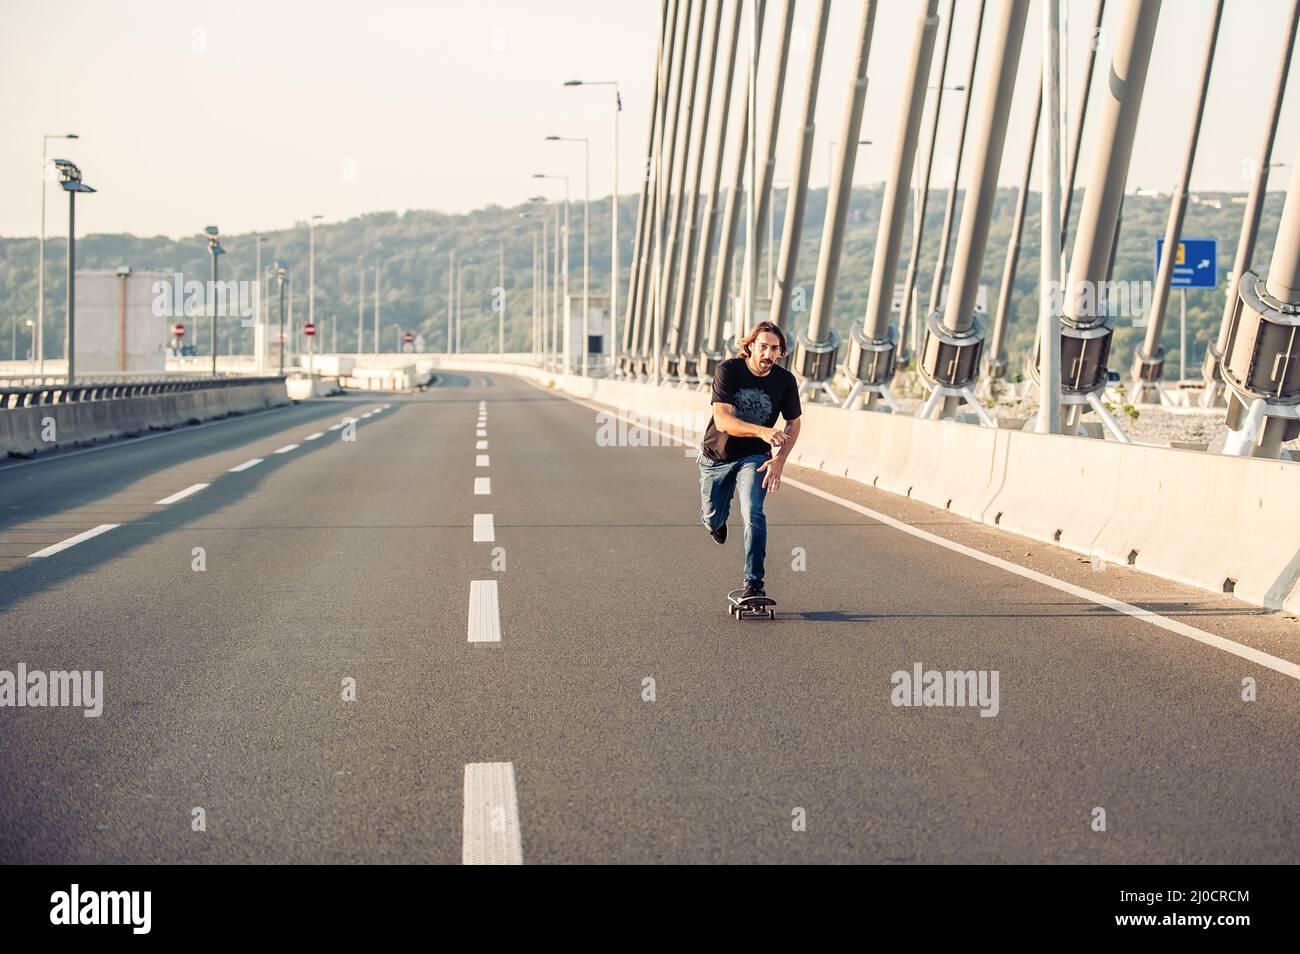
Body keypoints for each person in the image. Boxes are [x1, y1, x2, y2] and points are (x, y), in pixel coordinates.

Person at [697, 320, 802, 601]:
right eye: (763, 347)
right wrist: (763, 430)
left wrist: (779, 460)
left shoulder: (785, 381)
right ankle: (716, 522)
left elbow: (794, 423)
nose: (768, 354)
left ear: (781, 352)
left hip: (754, 457)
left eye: (775, 349)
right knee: (712, 516)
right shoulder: (729, 370)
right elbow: (722, 420)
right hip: (717, 456)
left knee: (754, 512)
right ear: (750, 346)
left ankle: (754, 583)